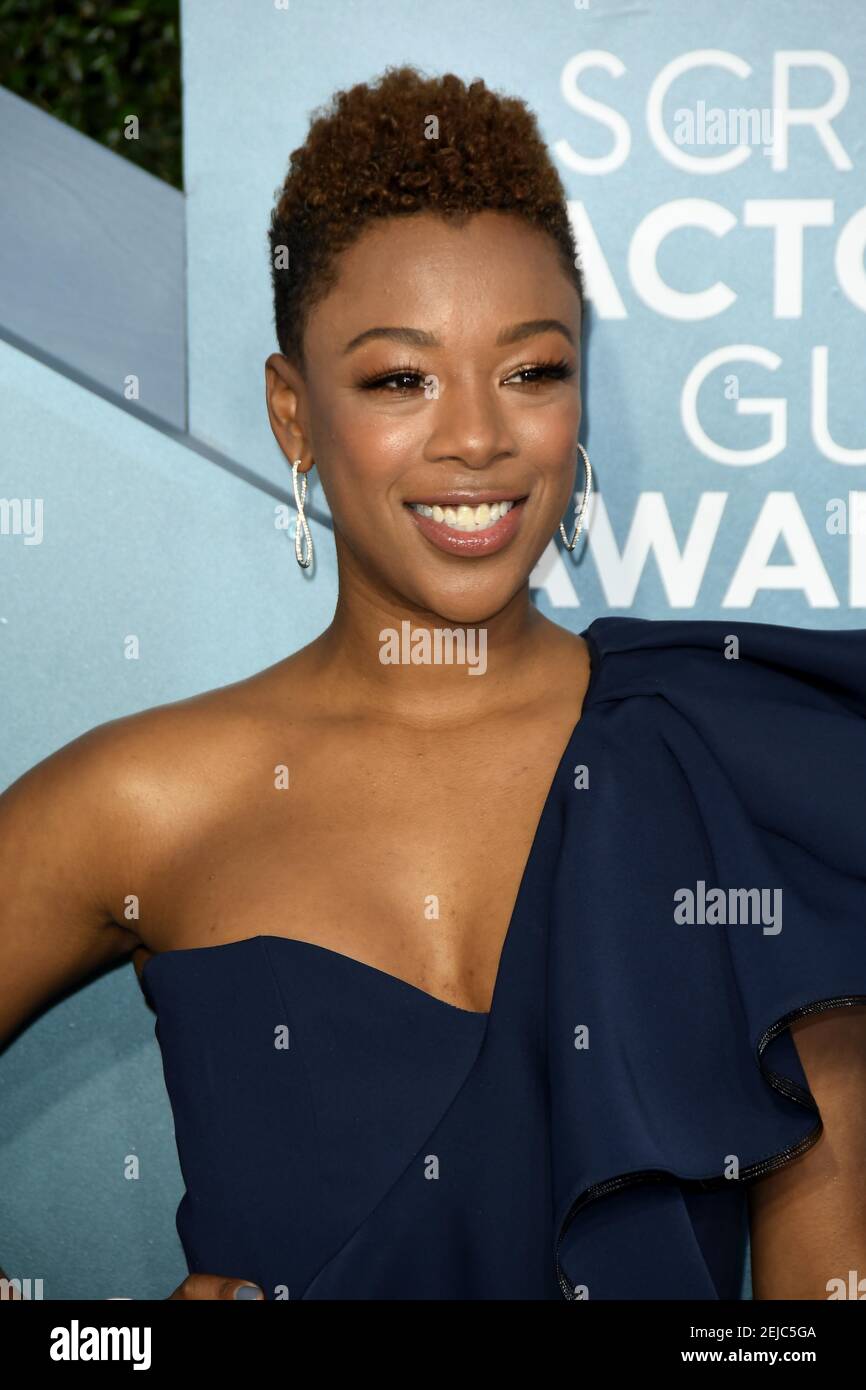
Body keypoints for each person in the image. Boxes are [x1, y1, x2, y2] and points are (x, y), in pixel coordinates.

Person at [1, 65, 865, 1302]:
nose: (475, 437)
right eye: (399, 378)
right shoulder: (143, 797)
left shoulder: (731, 754)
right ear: (293, 417)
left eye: (531, 371)